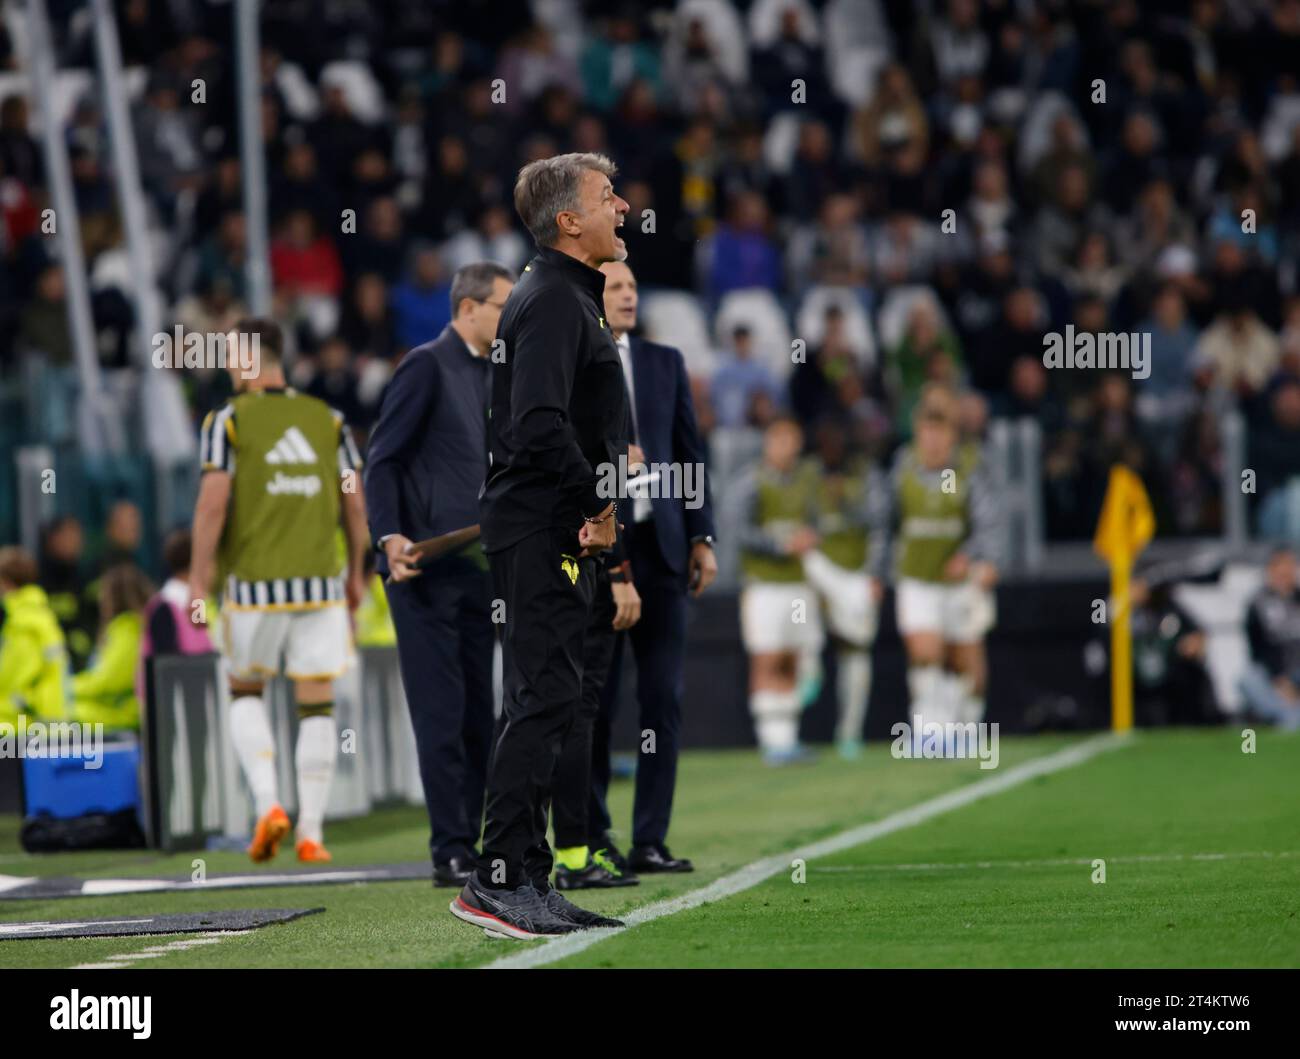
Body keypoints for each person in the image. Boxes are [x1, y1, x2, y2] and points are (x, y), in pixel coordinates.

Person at [451, 152, 630, 940]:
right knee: (541, 696)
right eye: (606, 197)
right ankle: (493, 877)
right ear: (569, 221)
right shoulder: (555, 300)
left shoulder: (570, 297)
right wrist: (596, 495)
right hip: (537, 528)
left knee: (553, 696)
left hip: (555, 527)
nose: (621, 207)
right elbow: (537, 424)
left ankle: (529, 873)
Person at [190, 317, 369, 865]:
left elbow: (214, 504)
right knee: (315, 705)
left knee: (245, 691)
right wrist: (357, 572)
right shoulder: (329, 419)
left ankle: (269, 804)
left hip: (253, 588)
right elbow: (354, 502)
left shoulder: (227, 421)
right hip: (320, 585)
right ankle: (312, 831)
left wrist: (199, 581)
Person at [364, 261, 513, 888]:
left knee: (481, 711)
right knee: (442, 710)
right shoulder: (426, 364)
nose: (511, 317)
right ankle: (448, 847)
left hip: (480, 565)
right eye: (503, 306)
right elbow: (382, 459)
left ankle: (476, 841)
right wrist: (389, 536)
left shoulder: (496, 373)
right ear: (468, 308)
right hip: (423, 570)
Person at [577, 258, 718, 882]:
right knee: (597, 705)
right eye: (616, 287)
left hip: (661, 553)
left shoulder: (666, 364)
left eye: (634, 286)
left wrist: (701, 535)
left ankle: (650, 840)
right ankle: (594, 838)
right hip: (602, 550)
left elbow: (688, 452)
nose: (628, 295)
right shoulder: (577, 364)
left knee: (663, 699)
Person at [873, 384, 1000, 737]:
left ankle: (966, 726)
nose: (932, 440)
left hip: (961, 580)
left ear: (952, 433)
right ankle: (931, 728)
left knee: (964, 657)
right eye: (926, 431)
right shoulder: (903, 468)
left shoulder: (969, 467)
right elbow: (886, 522)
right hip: (917, 576)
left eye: (940, 431)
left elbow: (988, 522)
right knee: (925, 650)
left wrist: (977, 557)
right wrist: (876, 571)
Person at [735, 416, 824, 764]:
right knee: (767, 656)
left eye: (791, 440)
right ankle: (770, 740)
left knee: (791, 657)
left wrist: (810, 537)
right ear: (768, 443)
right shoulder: (751, 482)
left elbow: (818, 523)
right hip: (764, 586)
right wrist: (781, 545)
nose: (785, 448)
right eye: (778, 440)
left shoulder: (808, 482)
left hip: (798, 584)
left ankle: (788, 738)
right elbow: (740, 531)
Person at [803, 421, 887, 758]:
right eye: (825, 440)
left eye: (837, 440)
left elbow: (879, 524)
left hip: (855, 574)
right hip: (822, 566)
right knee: (800, 592)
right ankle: (810, 665)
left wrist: (876, 574)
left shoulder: (867, 477)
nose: (831, 447)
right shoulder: (806, 476)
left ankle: (850, 733)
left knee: (855, 649)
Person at [137, 529, 214, 711]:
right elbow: (166, 669)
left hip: (197, 705)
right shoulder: (165, 607)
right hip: (175, 714)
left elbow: (203, 647)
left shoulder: (196, 603)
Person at [72, 564, 152, 730]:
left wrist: (67, 687)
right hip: (124, 709)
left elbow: (109, 682)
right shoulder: (133, 628)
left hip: (125, 713)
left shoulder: (128, 629)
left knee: (63, 712)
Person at [0, 546, 68, 726]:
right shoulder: (41, 616)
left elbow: (19, 681)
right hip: (46, 720)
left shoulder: (23, 624)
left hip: (25, 725)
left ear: (6, 581)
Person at [1239, 546, 1300, 730]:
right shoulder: (1257, 604)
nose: (1284, 573)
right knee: (1248, 679)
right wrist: (1279, 678)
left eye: (1289, 568)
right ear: (1270, 571)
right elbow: (1257, 648)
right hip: (1274, 673)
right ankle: (1290, 719)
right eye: (1279, 568)